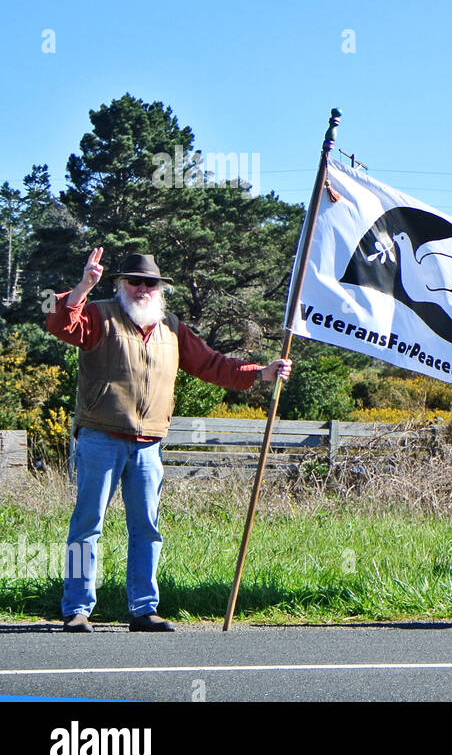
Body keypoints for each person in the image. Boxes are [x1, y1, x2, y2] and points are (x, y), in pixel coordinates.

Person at [48, 248, 292, 632]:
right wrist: (83, 285)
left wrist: (261, 373)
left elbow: (211, 364)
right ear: (120, 285)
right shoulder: (98, 315)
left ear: (160, 289)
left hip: (149, 444)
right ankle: (76, 608)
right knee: (86, 526)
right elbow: (61, 324)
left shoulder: (171, 327)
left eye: (151, 283)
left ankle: (143, 609)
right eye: (135, 281)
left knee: (147, 527)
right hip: (100, 437)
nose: (143, 288)